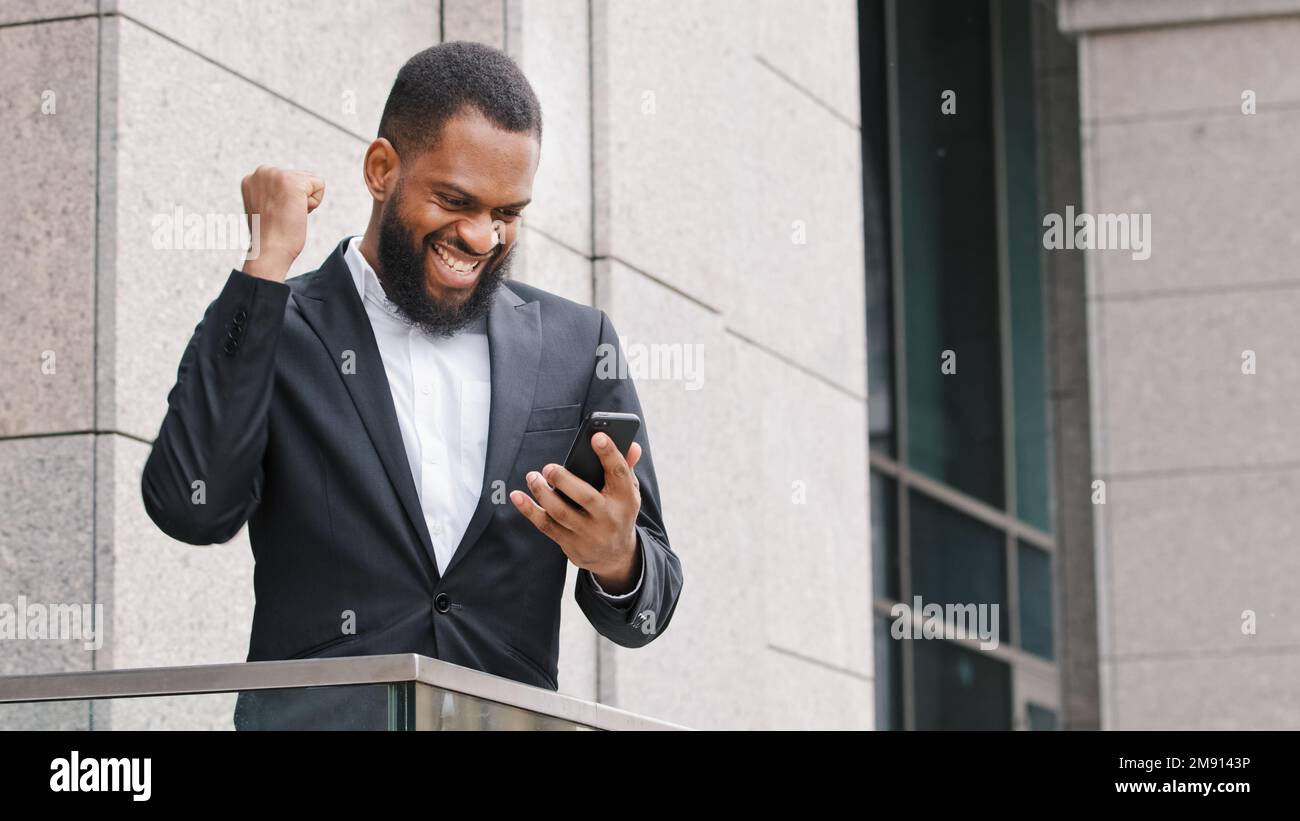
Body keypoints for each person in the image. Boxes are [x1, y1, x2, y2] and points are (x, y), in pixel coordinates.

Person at [139, 41, 683, 729]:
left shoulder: (578, 345)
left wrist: (618, 558)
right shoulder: (280, 321)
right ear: (381, 169)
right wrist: (263, 266)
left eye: (507, 213)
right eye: (455, 200)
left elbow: (650, 607)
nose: (482, 237)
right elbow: (191, 507)